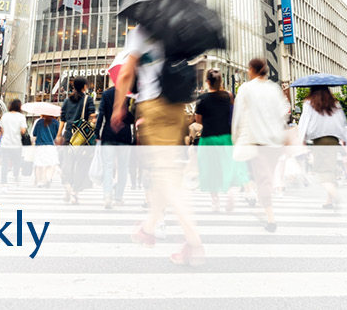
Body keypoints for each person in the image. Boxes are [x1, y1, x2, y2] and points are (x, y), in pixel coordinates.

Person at [111, 23, 204, 265]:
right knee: (165, 170)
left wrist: (118, 106)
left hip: (153, 106)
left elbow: (125, 73)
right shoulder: (175, 30)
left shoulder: (139, 32)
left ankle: (193, 242)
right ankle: (149, 228)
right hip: (176, 108)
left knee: (164, 174)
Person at [232, 58, 290, 233]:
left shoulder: (246, 89)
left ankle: (270, 217)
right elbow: (284, 113)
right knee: (267, 177)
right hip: (275, 140)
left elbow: (239, 115)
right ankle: (262, 202)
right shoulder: (274, 88)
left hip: (258, 140)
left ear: (251, 70)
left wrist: (236, 137)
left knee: (263, 178)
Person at [194, 68, 247, 212]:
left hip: (208, 139)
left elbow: (198, 121)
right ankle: (230, 192)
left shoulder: (202, 99)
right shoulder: (228, 96)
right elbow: (234, 114)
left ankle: (215, 201)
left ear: (207, 82)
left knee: (210, 169)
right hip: (226, 138)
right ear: (220, 81)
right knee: (227, 167)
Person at [297, 86, 347, 209]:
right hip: (334, 140)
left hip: (320, 140)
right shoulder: (335, 103)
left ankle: (335, 195)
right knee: (330, 169)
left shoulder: (309, 103)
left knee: (321, 171)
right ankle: (329, 201)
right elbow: (342, 124)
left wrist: (302, 138)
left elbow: (304, 121)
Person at [95, 79, 135, 209]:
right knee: (123, 167)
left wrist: (97, 133)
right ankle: (119, 196)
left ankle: (107, 195)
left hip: (108, 134)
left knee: (108, 166)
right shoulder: (129, 96)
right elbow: (132, 119)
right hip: (125, 135)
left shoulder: (106, 94)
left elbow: (101, 114)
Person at [57, 77, 94, 204]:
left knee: (67, 163)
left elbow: (62, 119)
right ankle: (74, 193)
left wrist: (58, 135)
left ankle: (68, 189)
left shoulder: (67, 101)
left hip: (68, 136)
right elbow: (92, 117)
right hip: (82, 137)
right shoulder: (88, 100)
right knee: (81, 165)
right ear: (84, 86)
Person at [0, 100, 28, 191]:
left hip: (5, 143)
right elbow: (23, 131)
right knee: (16, 163)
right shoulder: (21, 117)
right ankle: (16, 178)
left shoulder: (5, 116)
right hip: (16, 144)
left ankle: (4, 184)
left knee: (4, 164)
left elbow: (1, 130)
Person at [31, 114, 60, 187]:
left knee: (39, 164)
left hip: (40, 145)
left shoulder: (39, 122)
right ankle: (48, 178)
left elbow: (34, 134)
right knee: (51, 164)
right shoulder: (55, 122)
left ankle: (39, 182)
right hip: (51, 145)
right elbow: (59, 135)